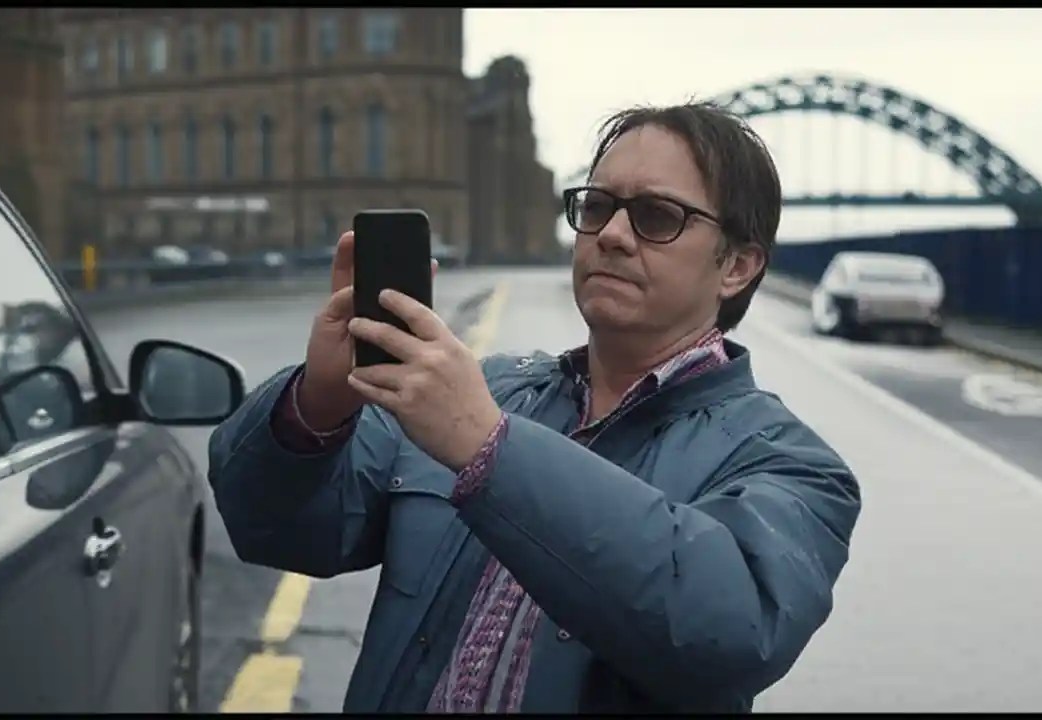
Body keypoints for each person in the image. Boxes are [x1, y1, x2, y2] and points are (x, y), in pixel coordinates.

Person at [207, 101, 861, 713]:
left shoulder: (791, 465)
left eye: (657, 217)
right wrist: (316, 407)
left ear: (738, 266)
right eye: (598, 206)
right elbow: (279, 529)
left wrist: (491, 451)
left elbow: (726, 634)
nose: (611, 234)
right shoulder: (476, 391)